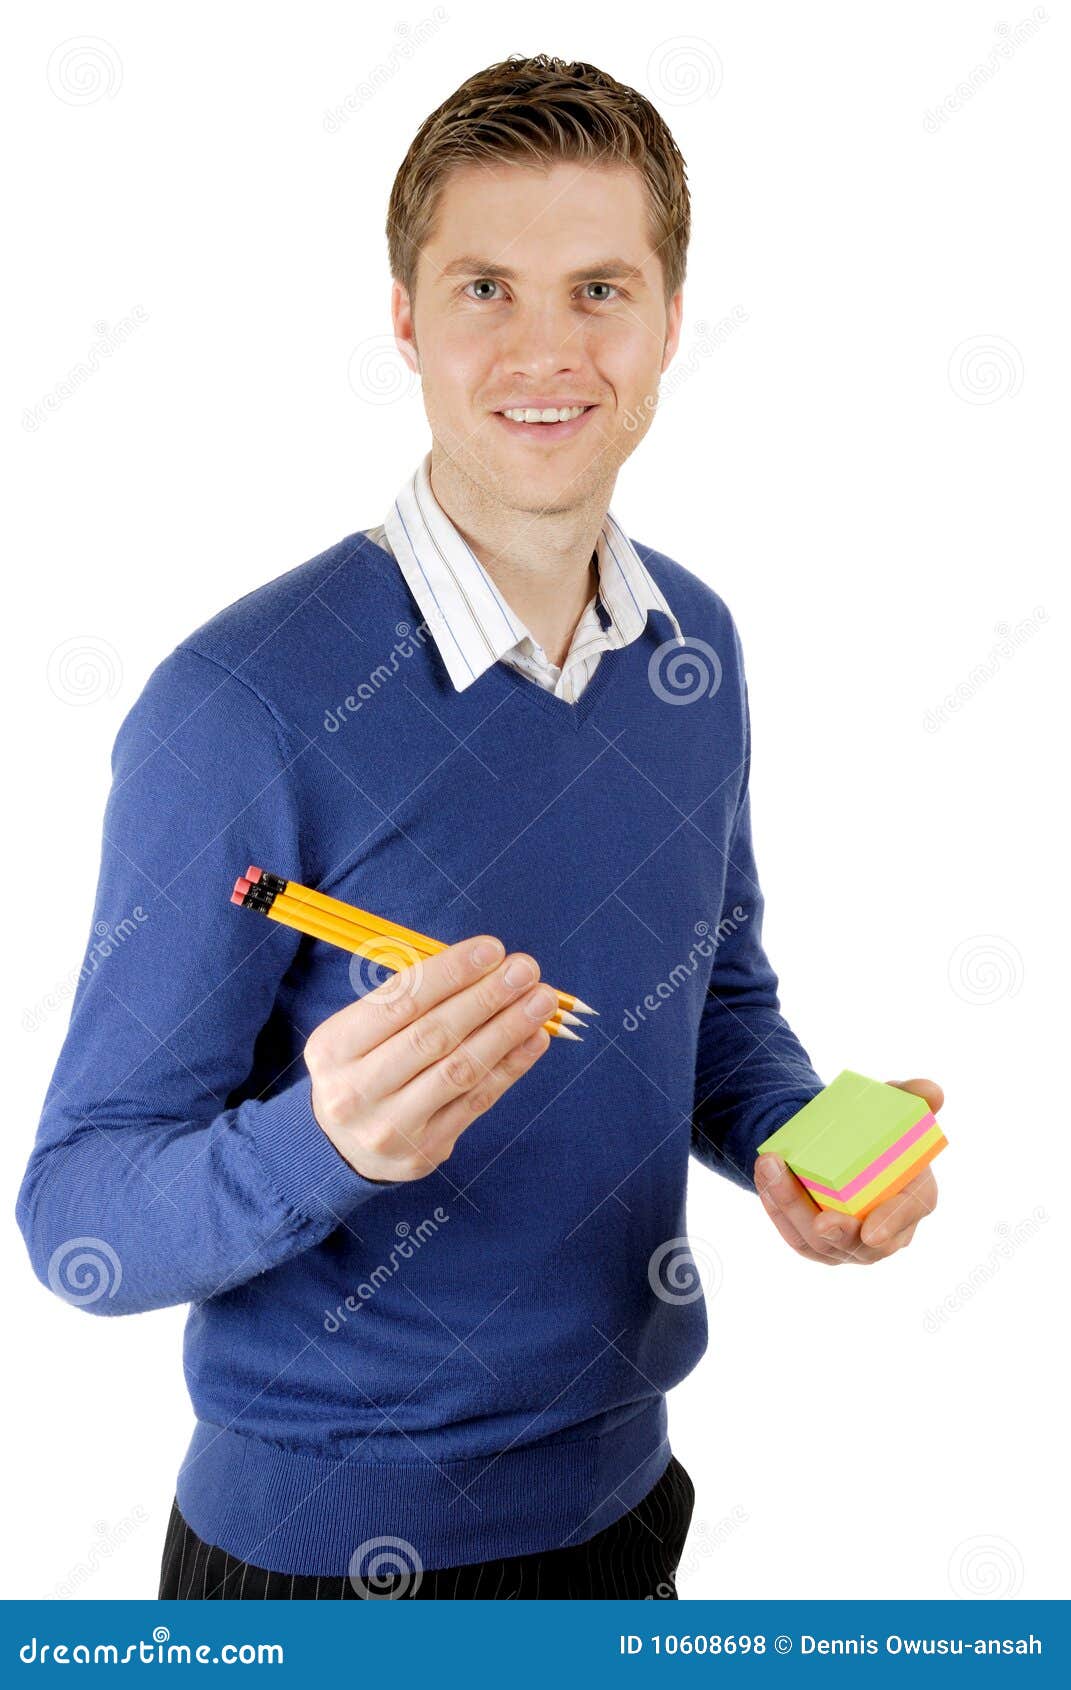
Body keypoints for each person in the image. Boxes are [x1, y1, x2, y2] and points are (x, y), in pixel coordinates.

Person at [16, 53, 940, 1602]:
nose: (545, 350)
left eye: (598, 289)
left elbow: (714, 1008)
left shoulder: (690, 649)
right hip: (320, 1580)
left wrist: (798, 1142)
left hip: (631, 1513)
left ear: (666, 321)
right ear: (405, 319)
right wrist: (324, 1144)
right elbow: (76, 1213)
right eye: (485, 288)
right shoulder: (232, 704)